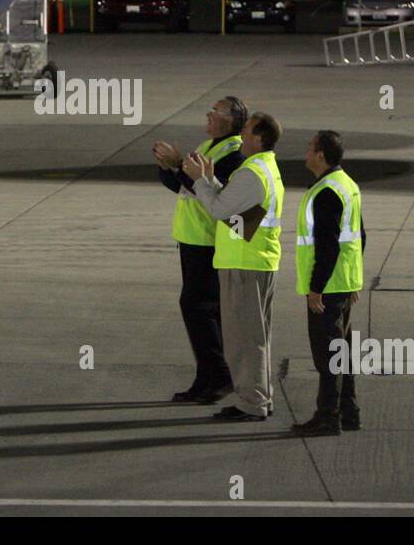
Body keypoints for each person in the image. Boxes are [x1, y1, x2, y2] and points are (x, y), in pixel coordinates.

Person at [183, 112, 285, 422]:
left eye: (246, 130)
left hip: (243, 265)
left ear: (259, 138)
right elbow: (239, 215)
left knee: (243, 339)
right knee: (256, 336)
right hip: (258, 259)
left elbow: (218, 210)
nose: (241, 135)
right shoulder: (264, 168)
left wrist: (200, 181)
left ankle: (251, 403)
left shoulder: (251, 172)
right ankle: (259, 397)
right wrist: (212, 181)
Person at [152, 97, 248, 403]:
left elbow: (203, 186)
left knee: (197, 307)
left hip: (209, 241)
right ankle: (206, 378)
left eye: (216, 111)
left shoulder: (233, 152)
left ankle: (220, 375)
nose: (208, 114)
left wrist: (179, 164)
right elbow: (185, 186)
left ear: (231, 121)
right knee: (203, 309)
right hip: (192, 240)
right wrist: (168, 168)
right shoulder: (209, 147)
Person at [294, 130, 366, 437]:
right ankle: (349, 413)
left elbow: (328, 246)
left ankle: (328, 417)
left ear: (321, 155)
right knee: (342, 353)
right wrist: (353, 280)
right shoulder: (346, 184)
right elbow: (360, 236)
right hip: (344, 282)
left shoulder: (325, 191)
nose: (306, 153)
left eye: (310, 148)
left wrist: (315, 287)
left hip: (328, 287)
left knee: (328, 356)